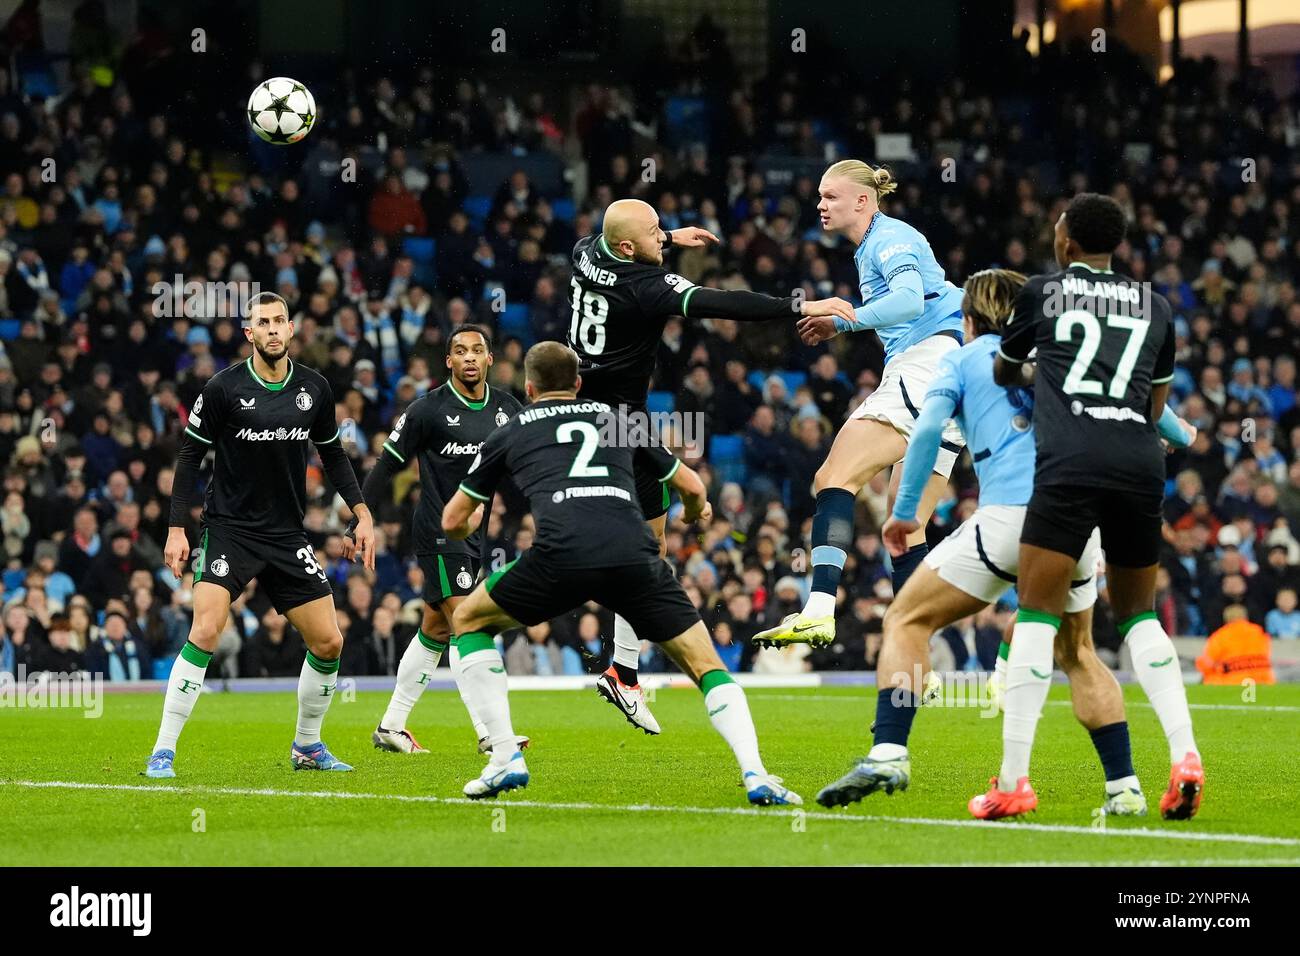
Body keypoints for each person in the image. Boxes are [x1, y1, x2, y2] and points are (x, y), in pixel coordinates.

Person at [816, 269, 1194, 816]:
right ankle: (1124, 787)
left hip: (1011, 521)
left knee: (906, 620)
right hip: (1077, 524)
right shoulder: (1061, 359)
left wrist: (903, 514)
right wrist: (1186, 435)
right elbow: (1147, 411)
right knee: (1078, 652)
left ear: (968, 319)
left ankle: (889, 751)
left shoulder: (965, 358)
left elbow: (925, 432)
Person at [441, 342, 800, 805]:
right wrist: (694, 510)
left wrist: (471, 522)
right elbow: (691, 486)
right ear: (578, 384)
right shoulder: (618, 419)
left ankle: (506, 755)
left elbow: (453, 521)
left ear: (529, 388)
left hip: (558, 555)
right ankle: (756, 774)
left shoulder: (511, 429)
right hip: (633, 554)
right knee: (707, 666)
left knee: (469, 620)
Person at [567, 197, 854, 733]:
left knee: (651, 542)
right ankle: (621, 664)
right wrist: (803, 307)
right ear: (628, 248)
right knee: (641, 546)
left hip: (589, 411)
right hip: (617, 425)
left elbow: (621, 242)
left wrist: (672, 237)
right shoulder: (647, 288)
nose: (663, 238)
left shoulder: (587, 250)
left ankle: (622, 671)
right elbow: (727, 303)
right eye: (654, 234)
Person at [986, 193, 1203, 820]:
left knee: (1036, 614)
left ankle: (1013, 781)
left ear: (1066, 242)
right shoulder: (1155, 306)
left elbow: (1005, 371)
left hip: (1069, 463)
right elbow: (1155, 410)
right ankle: (1185, 756)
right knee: (1139, 615)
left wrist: (1040, 382)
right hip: (1139, 463)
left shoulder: (1043, 294)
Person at [143, 291, 375, 778]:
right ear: (249, 334)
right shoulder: (223, 388)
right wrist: (176, 528)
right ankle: (163, 750)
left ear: (291, 330)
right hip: (230, 529)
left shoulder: (314, 388)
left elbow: (333, 455)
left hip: (287, 534)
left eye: (279, 321)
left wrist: (362, 512)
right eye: (262, 323)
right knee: (205, 630)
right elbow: (189, 456)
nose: (271, 329)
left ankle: (307, 747)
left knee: (330, 643)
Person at [753, 161, 968, 649]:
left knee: (833, 478)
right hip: (955, 376)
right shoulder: (877, 243)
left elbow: (911, 302)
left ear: (863, 201)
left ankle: (818, 610)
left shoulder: (889, 238)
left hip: (930, 361)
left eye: (830, 196)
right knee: (902, 526)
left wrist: (842, 323)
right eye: (820, 197)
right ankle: (915, 653)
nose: (821, 205)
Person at [344, 324, 528, 755]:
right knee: (470, 621)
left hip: (475, 536)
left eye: (476, 350)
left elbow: (529, 461)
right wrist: (360, 518)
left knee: (436, 629)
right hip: (438, 532)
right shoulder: (427, 410)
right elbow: (386, 465)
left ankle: (391, 726)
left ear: (489, 360)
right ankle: (491, 732)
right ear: (448, 361)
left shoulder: (507, 408)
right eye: (459, 351)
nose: (468, 357)